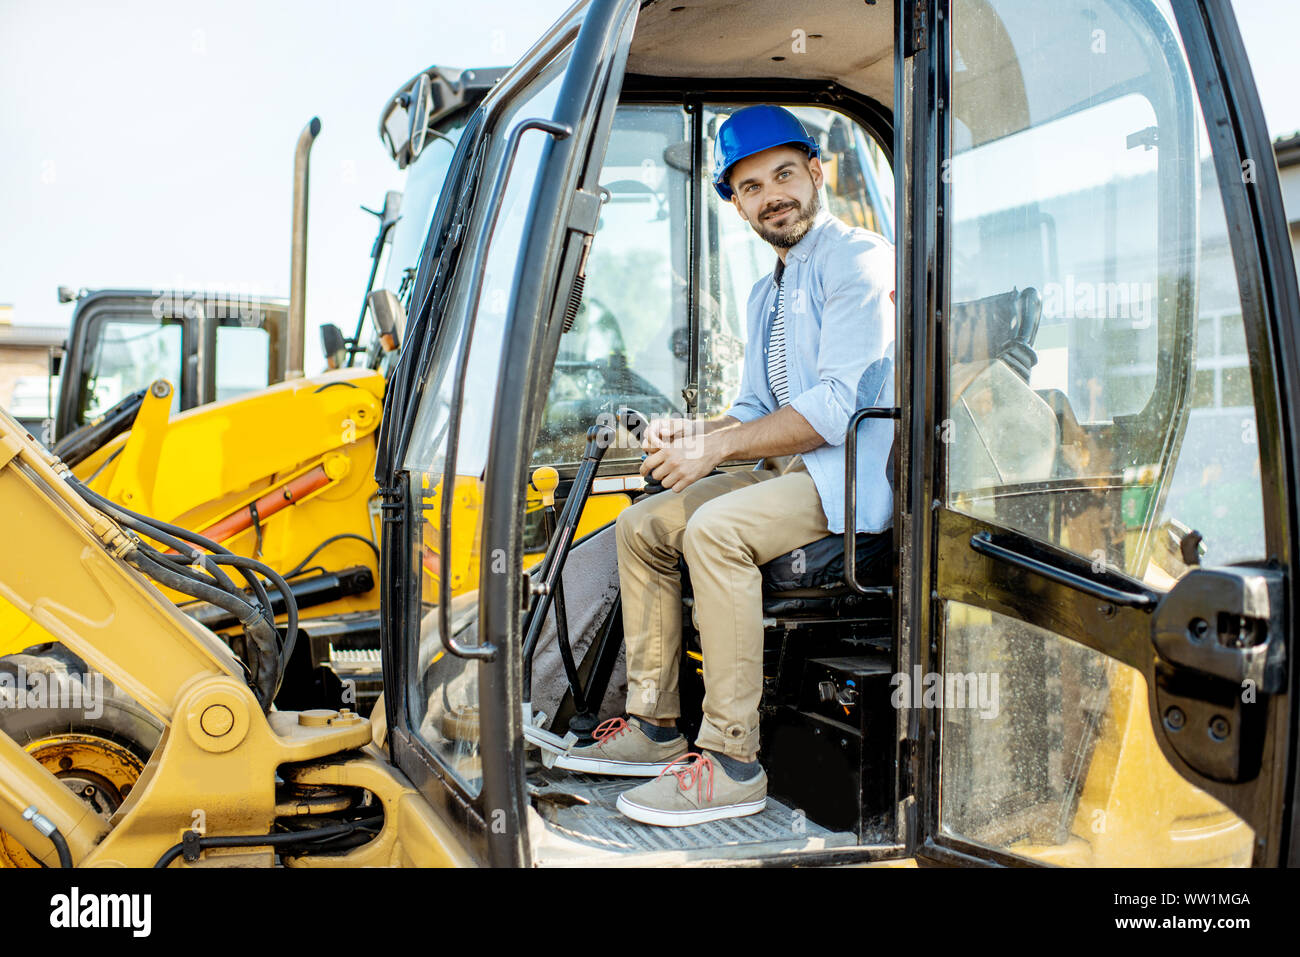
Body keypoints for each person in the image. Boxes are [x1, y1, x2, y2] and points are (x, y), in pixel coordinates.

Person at [555, 105, 896, 827]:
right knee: (643, 522)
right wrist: (694, 431)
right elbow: (751, 408)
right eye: (750, 186)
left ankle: (733, 760)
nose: (772, 194)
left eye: (784, 174)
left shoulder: (858, 261)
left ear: (817, 173)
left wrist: (713, 450)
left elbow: (835, 409)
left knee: (714, 529)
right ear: (736, 204)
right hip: (788, 471)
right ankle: (653, 724)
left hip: (847, 481)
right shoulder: (763, 290)